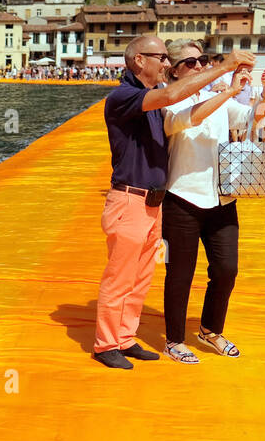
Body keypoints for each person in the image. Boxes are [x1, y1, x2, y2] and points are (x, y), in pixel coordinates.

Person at [93, 35, 255, 369]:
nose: (166, 64)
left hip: (153, 201)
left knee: (139, 278)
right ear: (140, 60)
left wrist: (235, 90)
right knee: (120, 277)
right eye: (162, 58)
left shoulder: (149, 102)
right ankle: (106, 343)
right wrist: (225, 67)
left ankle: (124, 338)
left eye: (170, 58)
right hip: (129, 199)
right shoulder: (124, 96)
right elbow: (173, 98)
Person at [159, 40, 265, 364]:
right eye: (191, 63)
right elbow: (192, 118)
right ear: (174, 71)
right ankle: (174, 340)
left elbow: (253, 119)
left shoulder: (217, 98)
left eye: (203, 61)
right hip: (182, 198)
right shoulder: (167, 102)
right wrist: (227, 88)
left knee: (227, 270)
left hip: (222, 197)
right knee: (180, 274)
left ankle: (210, 329)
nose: (199, 67)